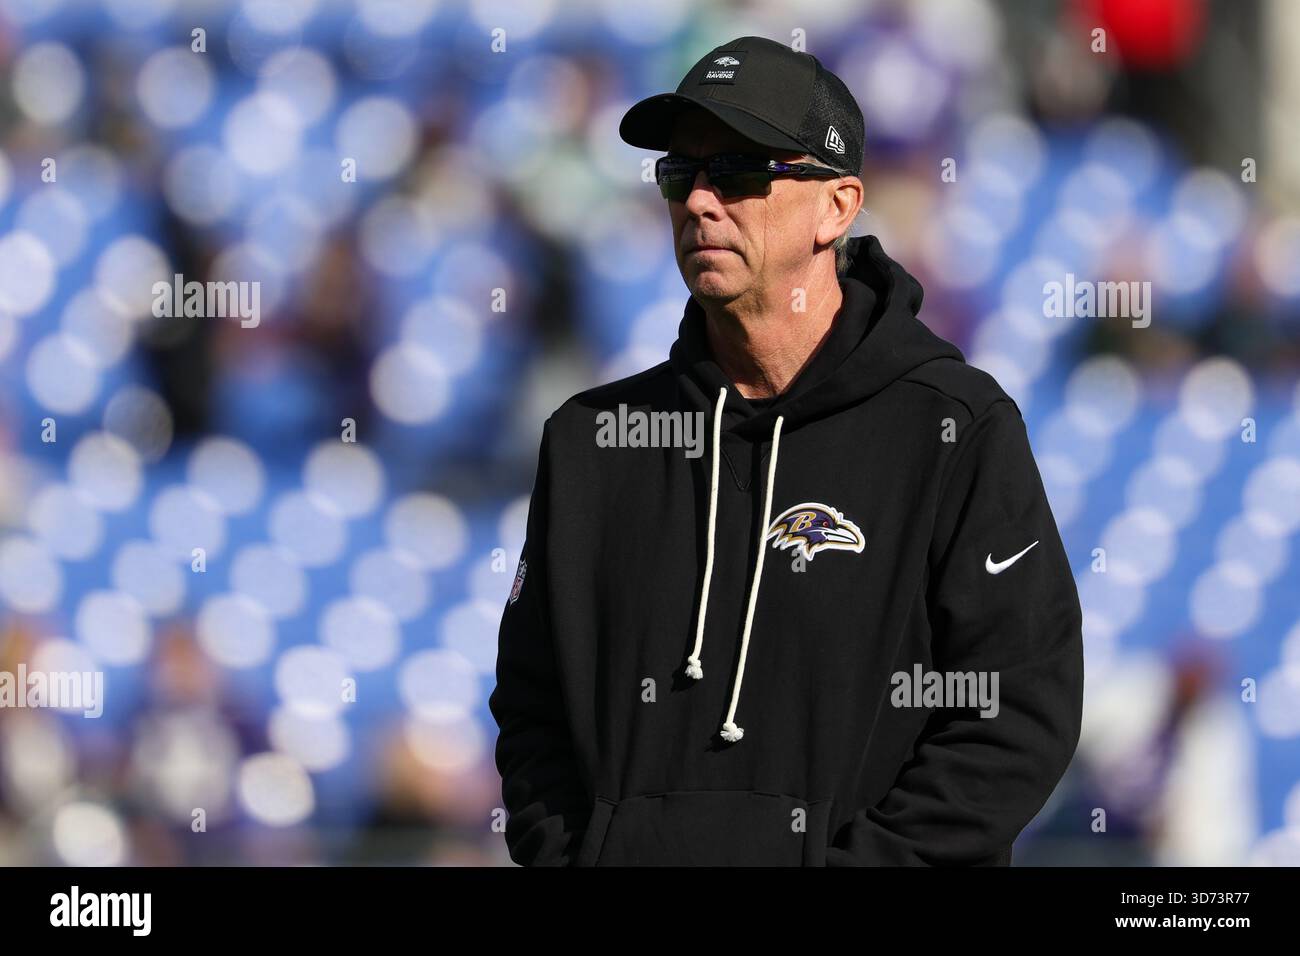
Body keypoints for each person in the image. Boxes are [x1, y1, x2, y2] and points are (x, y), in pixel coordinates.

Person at [488, 35, 1084, 866]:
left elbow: (1014, 713)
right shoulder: (592, 443)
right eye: (676, 174)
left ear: (837, 207)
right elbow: (530, 709)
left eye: (736, 171)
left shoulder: (955, 428)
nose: (699, 201)